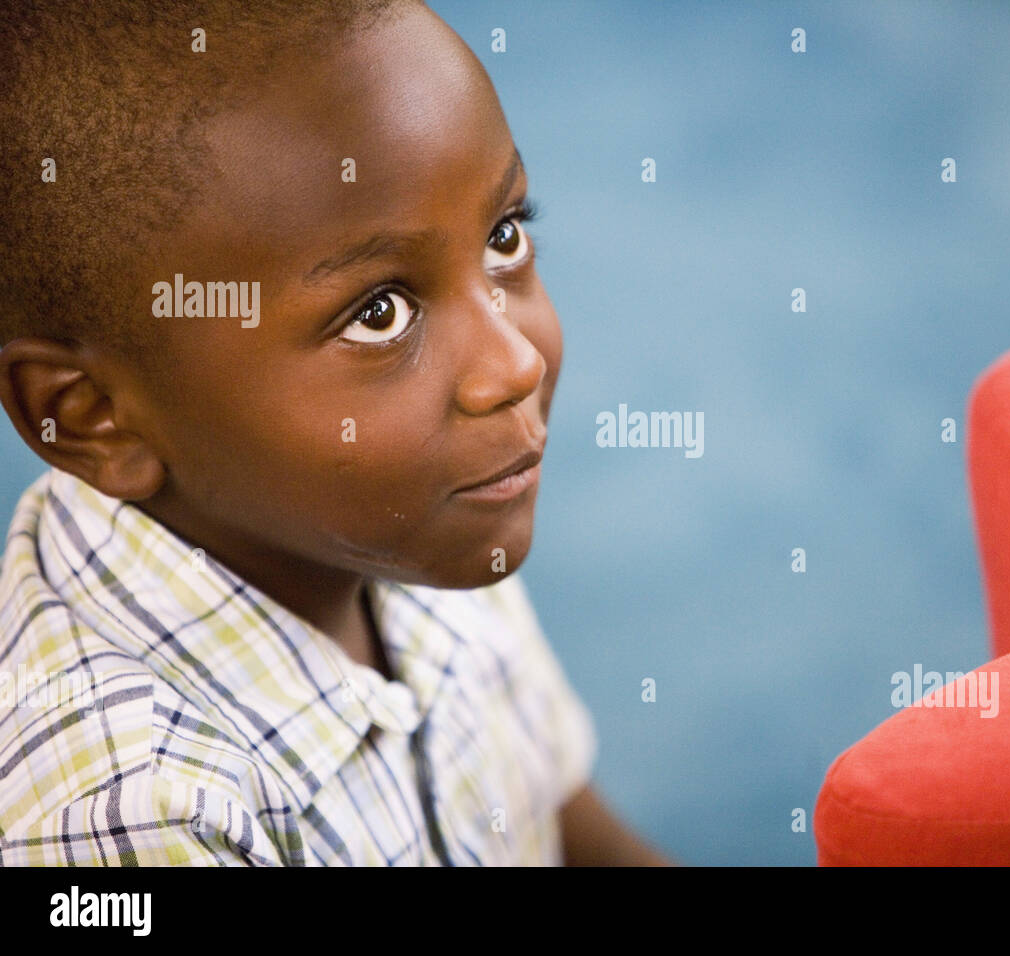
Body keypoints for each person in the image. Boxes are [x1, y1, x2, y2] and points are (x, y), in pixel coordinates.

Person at [0, 0, 669, 866]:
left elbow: (567, 826)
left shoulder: (427, 521)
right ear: (93, 416)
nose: (513, 367)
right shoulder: (123, 820)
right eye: (379, 313)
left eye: (503, 236)